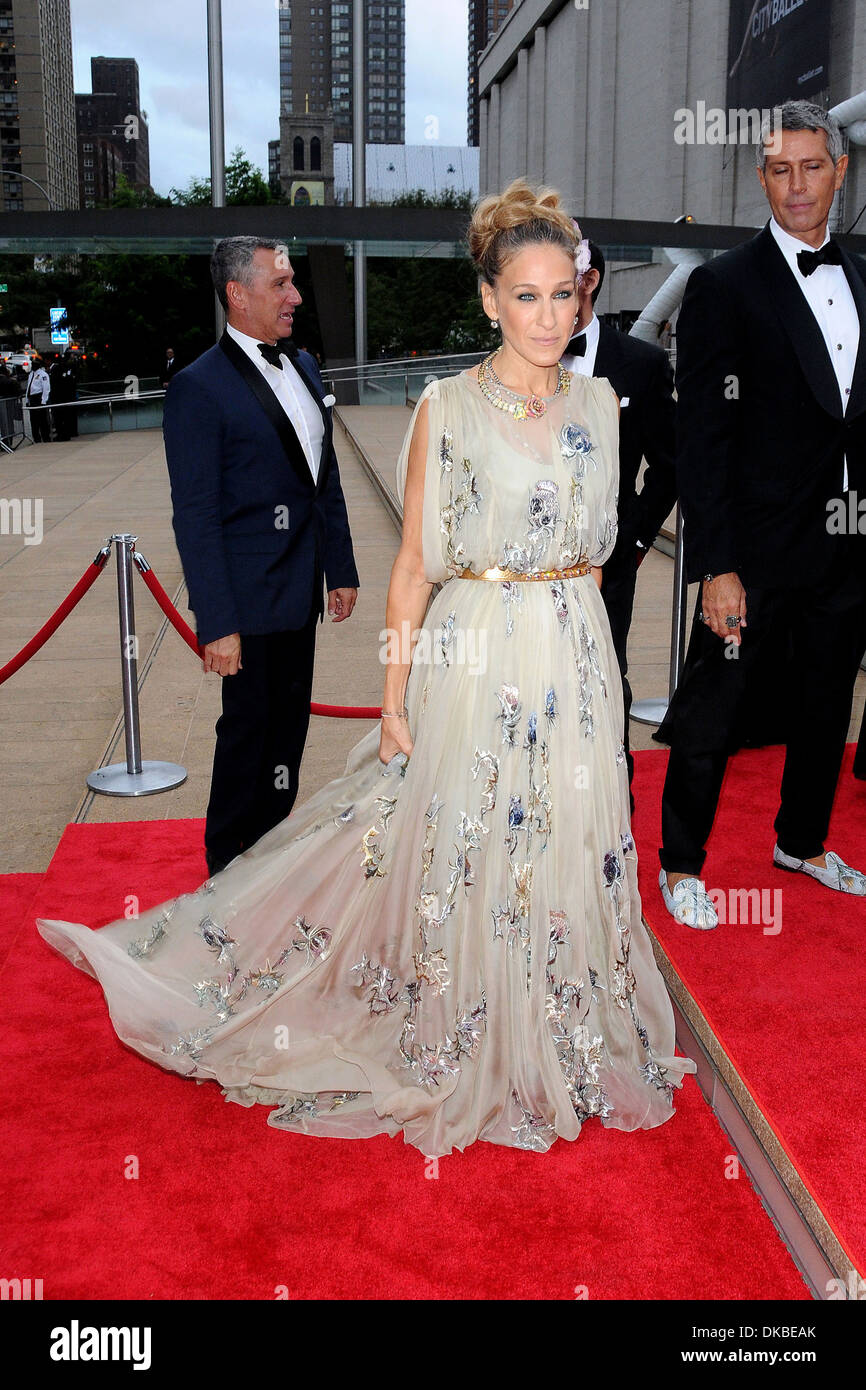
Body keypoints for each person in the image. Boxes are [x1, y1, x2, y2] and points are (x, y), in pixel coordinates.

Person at [37, 182, 695, 1157]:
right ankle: (464, 1022)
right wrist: (393, 696)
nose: (549, 315)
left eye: (565, 293)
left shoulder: (599, 402)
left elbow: (594, 550)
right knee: (465, 841)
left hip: (576, 651)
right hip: (475, 654)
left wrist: (585, 653)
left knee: (565, 837)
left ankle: (556, 1017)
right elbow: (416, 567)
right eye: (526, 295)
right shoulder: (448, 406)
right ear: (487, 299)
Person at [656, 100, 866, 931]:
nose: (797, 185)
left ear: (840, 171)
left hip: (848, 543)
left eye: (812, 167)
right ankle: (680, 864)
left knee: (825, 701)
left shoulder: (861, 281)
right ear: (761, 179)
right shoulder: (722, 285)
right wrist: (715, 562)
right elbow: (701, 434)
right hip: (752, 547)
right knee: (717, 702)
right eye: (780, 170)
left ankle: (803, 842)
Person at [162, 236, 359, 877]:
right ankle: (225, 871)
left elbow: (322, 477)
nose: (295, 296)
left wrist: (342, 566)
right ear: (237, 295)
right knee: (247, 735)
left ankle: (271, 863)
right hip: (244, 600)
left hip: (300, 590)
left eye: (295, 282)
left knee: (289, 731)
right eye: (281, 284)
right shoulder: (198, 387)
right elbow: (194, 515)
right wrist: (215, 621)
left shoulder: (302, 365)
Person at [561, 240, 677, 804]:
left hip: (607, 565)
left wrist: (630, 540)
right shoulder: (515, 360)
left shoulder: (642, 364)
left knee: (605, 683)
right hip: (524, 568)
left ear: (591, 281)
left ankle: (611, 814)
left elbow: (670, 465)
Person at [49, 350, 78, 441]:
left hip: (59, 397)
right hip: (64, 397)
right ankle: (66, 433)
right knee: (65, 417)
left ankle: (63, 434)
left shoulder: (57, 369)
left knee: (60, 418)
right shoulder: (63, 368)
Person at [25, 357, 51, 443]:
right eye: (32, 364)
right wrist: (27, 400)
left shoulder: (43, 374)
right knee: (33, 421)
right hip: (32, 399)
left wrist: (43, 401)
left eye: (34, 364)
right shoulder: (31, 374)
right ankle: (36, 439)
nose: (32, 365)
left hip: (39, 398)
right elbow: (29, 387)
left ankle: (46, 438)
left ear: (38, 365)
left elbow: (46, 388)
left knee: (42, 420)